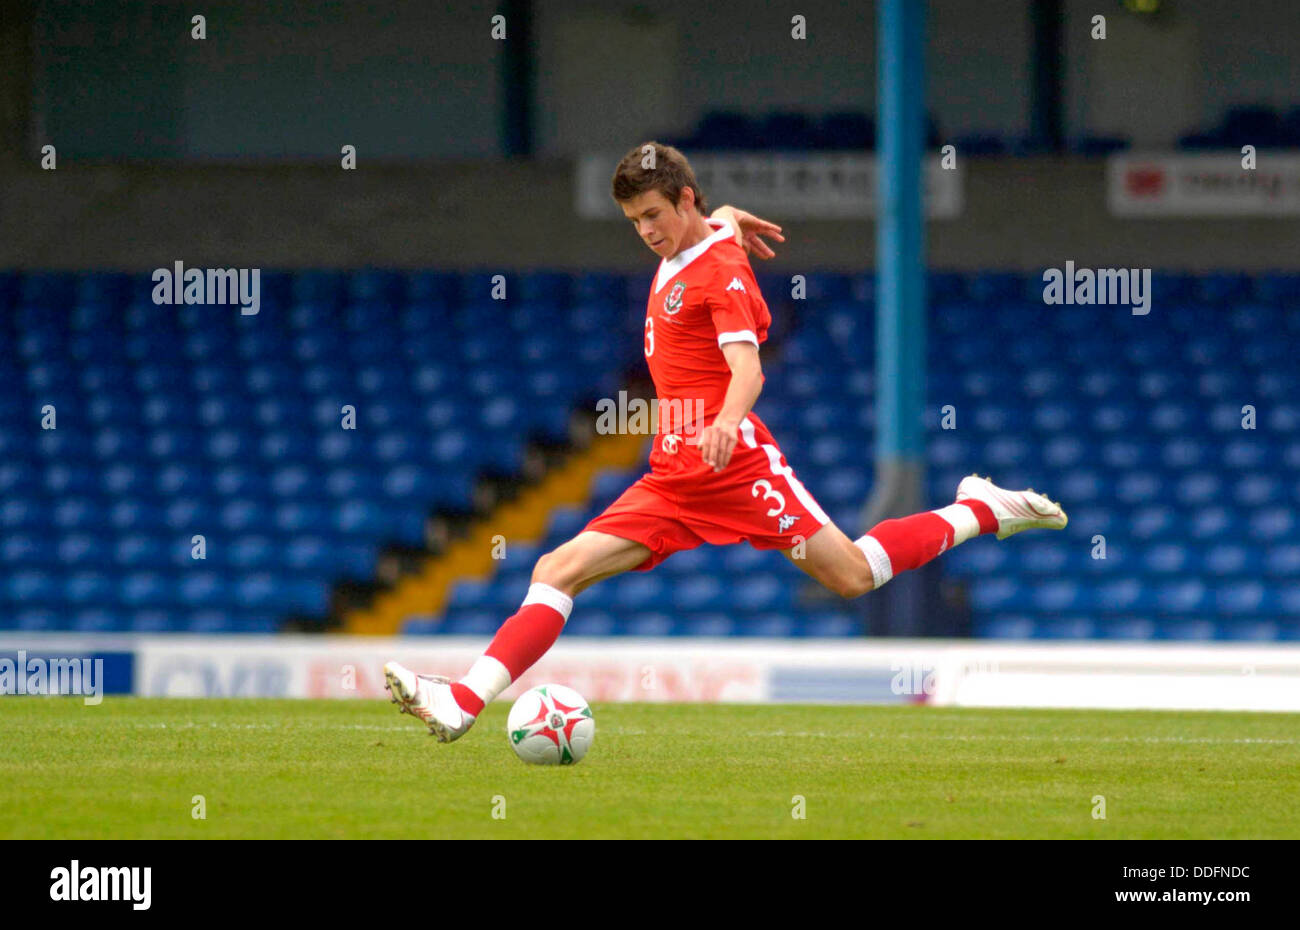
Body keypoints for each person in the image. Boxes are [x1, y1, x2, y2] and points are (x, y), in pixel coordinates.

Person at [384, 142, 1067, 742]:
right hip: (673, 479)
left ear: (683, 199)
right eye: (634, 222)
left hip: (735, 466)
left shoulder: (720, 273)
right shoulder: (700, 239)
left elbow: (747, 367)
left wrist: (722, 422)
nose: (646, 232)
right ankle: (462, 703)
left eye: (654, 215)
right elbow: (715, 227)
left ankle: (981, 508)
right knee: (555, 570)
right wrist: (727, 218)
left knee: (852, 574)